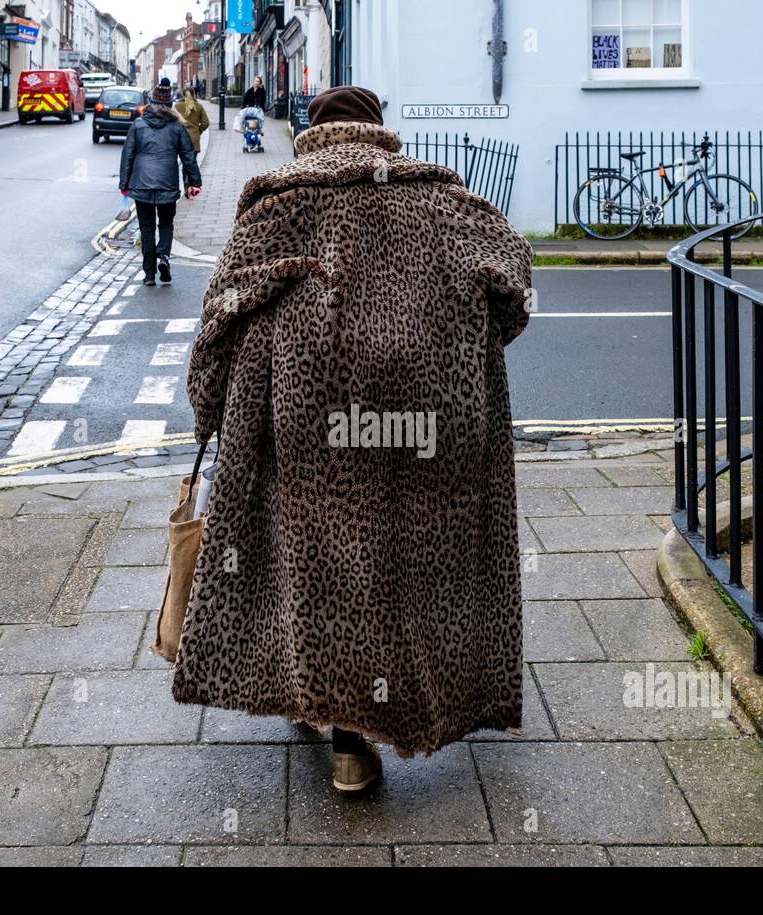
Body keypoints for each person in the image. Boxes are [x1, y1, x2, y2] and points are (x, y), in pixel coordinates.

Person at [172, 86, 532, 793]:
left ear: (313, 132)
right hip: (429, 419)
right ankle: (393, 713)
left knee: (321, 568)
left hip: (307, 420)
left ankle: (343, 738)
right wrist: (459, 342)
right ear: (379, 132)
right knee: (407, 570)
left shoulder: (277, 202)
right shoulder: (444, 200)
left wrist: (207, 414)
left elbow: (217, 322)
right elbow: (515, 281)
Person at [118, 82, 202, 286]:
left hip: (141, 184)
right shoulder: (177, 127)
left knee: (146, 228)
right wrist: (195, 182)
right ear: (170, 104)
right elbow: (188, 156)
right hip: (167, 182)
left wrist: (124, 184)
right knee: (166, 223)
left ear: (151, 102)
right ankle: (163, 255)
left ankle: (149, 275)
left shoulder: (138, 125)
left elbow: (127, 155)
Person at [175, 86, 209, 154]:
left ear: (183, 94)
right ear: (193, 94)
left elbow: (172, 122)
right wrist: (198, 131)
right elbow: (205, 123)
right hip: (194, 139)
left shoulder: (177, 106)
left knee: (183, 162)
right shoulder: (198, 106)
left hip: (181, 139)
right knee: (192, 162)